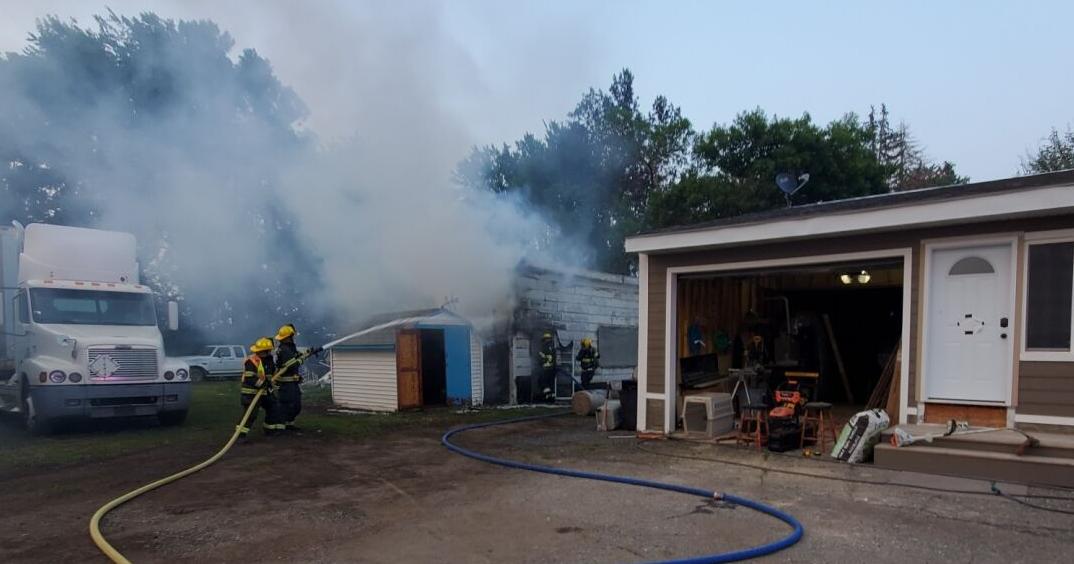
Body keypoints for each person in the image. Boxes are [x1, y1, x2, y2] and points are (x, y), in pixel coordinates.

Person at [273, 323, 323, 431]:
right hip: (286, 385)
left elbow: (297, 356)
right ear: (288, 337)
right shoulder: (284, 349)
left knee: (295, 406)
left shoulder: (289, 348)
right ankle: (280, 427)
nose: (293, 338)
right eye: (292, 336)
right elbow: (291, 364)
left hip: (292, 384)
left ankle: (289, 424)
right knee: (287, 405)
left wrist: (309, 353)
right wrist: (301, 359)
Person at [239, 337, 284, 438]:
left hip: (265, 392)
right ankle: (241, 435)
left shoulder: (269, 360)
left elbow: (272, 374)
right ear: (265, 350)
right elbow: (250, 378)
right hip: (251, 393)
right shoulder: (252, 361)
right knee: (251, 414)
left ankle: (269, 430)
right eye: (268, 350)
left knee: (274, 407)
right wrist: (263, 384)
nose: (270, 352)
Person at [537, 331, 557, 402]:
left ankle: (547, 398)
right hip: (552, 370)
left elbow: (539, 360)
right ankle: (552, 398)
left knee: (542, 383)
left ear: (544, 339)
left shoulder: (542, 349)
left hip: (545, 370)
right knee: (551, 384)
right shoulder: (553, 349)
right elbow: (555, 360)